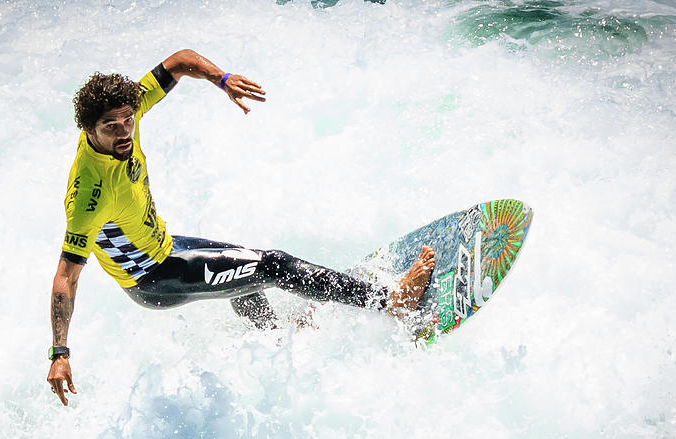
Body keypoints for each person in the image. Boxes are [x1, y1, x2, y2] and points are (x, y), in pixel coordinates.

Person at [47, 49, 436, 405]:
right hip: (152, 278)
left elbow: (178, 62)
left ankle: (278, 338)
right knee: (274, 266)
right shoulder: (89, 196)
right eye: (110, 126)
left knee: (246, 271)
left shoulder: (127, 112)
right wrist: (60, 353)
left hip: (165, 245)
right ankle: (390, 303)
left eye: (127, 120)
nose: (124, 132)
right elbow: (66, 277)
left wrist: (221, 78)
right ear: (89, 129)